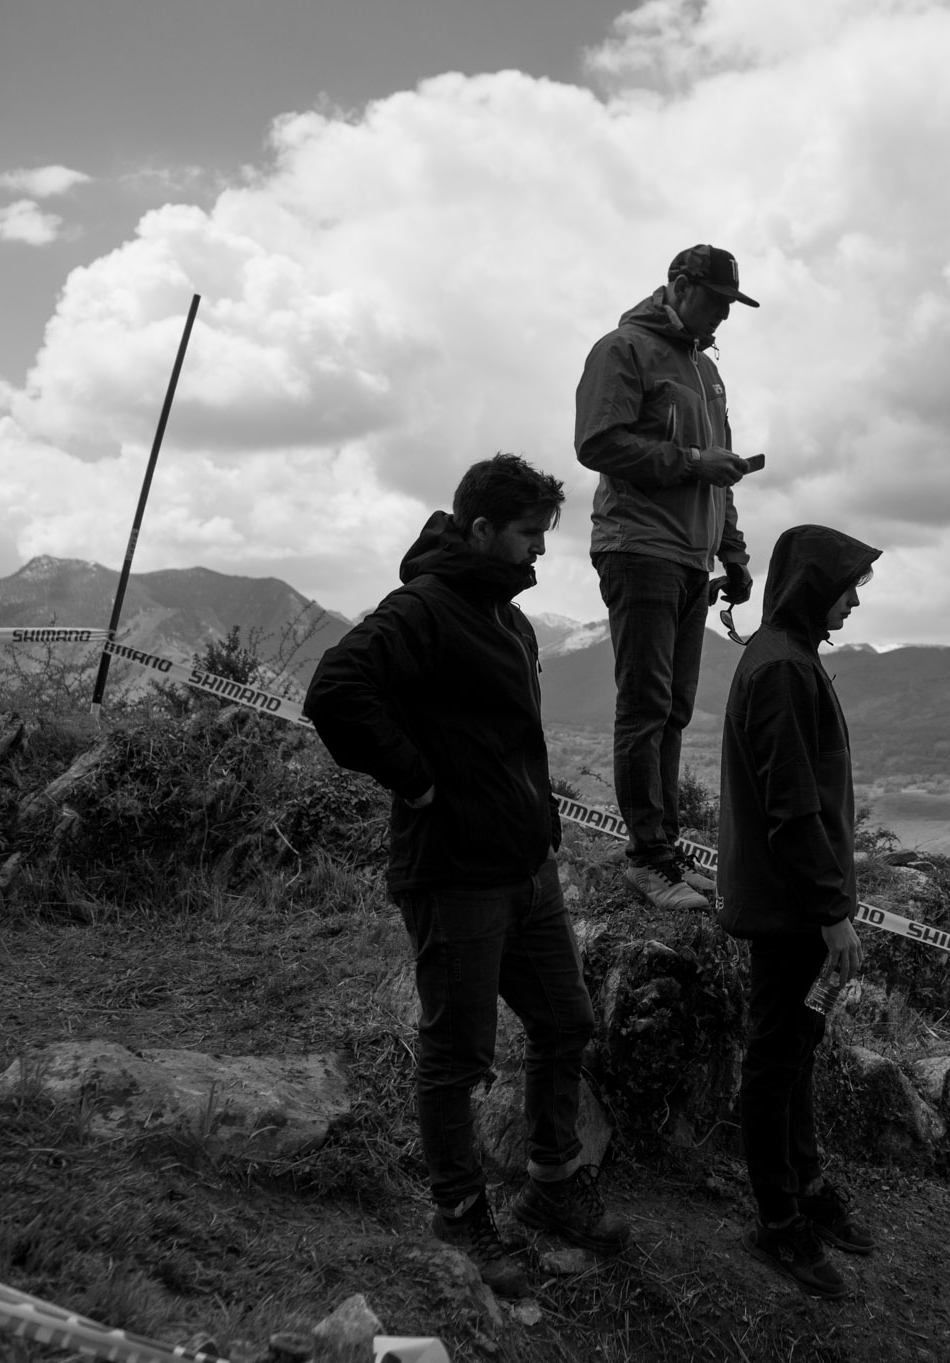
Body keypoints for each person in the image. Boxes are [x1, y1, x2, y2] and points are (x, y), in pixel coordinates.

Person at [304, 454, 630, 1299]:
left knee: (565, 1020)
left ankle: (553, 1182)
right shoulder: (425, 608)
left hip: (525, 869)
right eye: (528, 534)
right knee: (458, 1054)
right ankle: (458, 1212)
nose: (539, 550)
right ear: (481, 529)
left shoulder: (506, 617)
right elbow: (336, 689)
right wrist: (416, 779)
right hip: (455, 874)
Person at [716, 523, 883, 1299]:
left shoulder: (791, 655)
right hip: (791, 908)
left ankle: (805, 1186)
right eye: (847, 587)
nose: (854, 601)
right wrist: (831, 909)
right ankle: (778, 1220)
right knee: (775, 1057)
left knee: (796, 1051)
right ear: (815, 586)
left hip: (798, 904)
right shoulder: (783, 667)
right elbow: (791, 806)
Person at [575, 243, 757, 913]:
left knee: (673, 709)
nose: (724, 316)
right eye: (716, 300)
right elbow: (597, 442)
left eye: (731, 305)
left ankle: (666, 852)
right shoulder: (622, 349)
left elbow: (721, 472)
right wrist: (691, 462)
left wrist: (733, 554)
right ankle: (647, 860)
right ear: (680, 286)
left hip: (690, 559)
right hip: (638, 546)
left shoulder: (706, 371)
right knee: (646, 705)